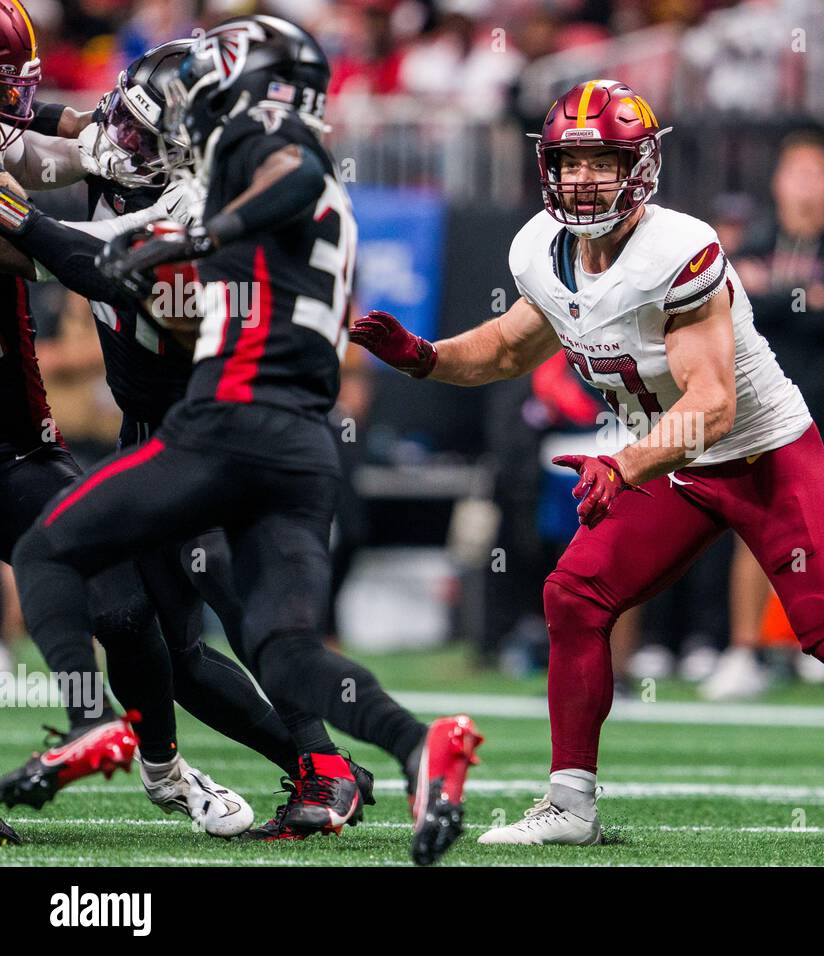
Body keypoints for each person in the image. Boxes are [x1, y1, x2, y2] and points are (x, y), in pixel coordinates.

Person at [351, 77, 824, 844]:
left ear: (640, 167)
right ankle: (571, 804)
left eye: (603, 161)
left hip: (759, 450)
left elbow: (712, 405)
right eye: (571, 161)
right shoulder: (540, 247)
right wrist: (424, 358)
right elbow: (509, 344)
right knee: (573, 597)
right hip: (669, 459)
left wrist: (626, 463)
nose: (583, 178)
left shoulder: (677, 250)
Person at [7, 15, 481, 865]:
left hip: (215, 431)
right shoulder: (178, 154)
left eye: (146, 126)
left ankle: (106, 730)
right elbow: (75, 139)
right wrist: (47, 127)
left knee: (103, 568)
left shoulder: (227, 185)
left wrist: (173, 234)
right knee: (221, 649)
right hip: (235, 434)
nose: (118, 136)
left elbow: (84, 254)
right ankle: (380, 754)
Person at [0, 9, 257, 836]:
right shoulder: (110, 152)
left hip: (88, 444)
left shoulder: (198, 205)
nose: (122, 144)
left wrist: (24, 204)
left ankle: (170, 765)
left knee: (140, 615)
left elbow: (78, 213)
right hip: (159, 430)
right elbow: (50, 144)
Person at [705, 128, 824, 702]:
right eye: (795, 171)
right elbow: (732, 302)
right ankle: (744, 650)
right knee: (752, 529)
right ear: (777, 182)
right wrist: (801, 296)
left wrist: (779, 295)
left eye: (817, 172)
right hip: (760, 407)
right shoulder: (756, 239)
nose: (805, 185)